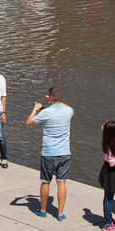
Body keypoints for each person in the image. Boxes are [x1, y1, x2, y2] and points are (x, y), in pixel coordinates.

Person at [27, 86, 73, 220]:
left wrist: (35, 109)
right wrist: (54, 100)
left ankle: (43, 209)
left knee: (45, 181)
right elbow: (65, 105)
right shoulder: (69, 111)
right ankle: (60, 213)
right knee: (61, 182)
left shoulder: (45, 113)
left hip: (49, 153)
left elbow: (29, 122)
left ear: (50, 98)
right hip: (64, 153)